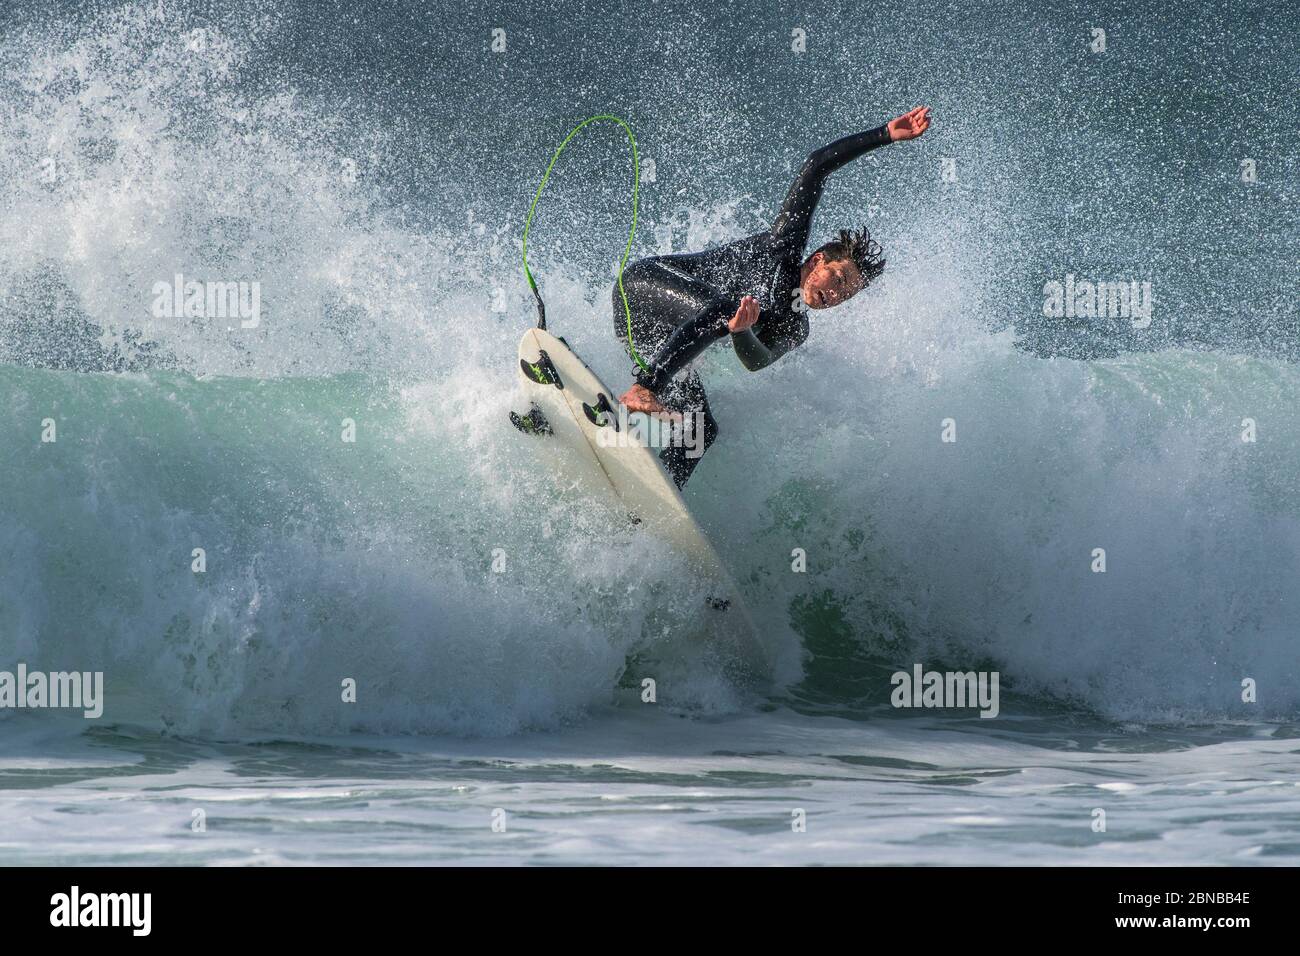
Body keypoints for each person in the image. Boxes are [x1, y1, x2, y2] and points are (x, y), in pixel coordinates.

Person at [613, 105, 932, 486]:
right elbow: (816, 167)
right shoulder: (782, 248)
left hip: (655, 339)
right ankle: (643, 389)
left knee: (700, 430)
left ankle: (650, 500)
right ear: (817, 261)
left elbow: (757, 362)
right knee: (728, 306)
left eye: (845, 293)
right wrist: (883, 135)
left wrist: (741, 333)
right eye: (838, 278)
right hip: (642, 290)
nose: (836, 293)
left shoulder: (795, 326)